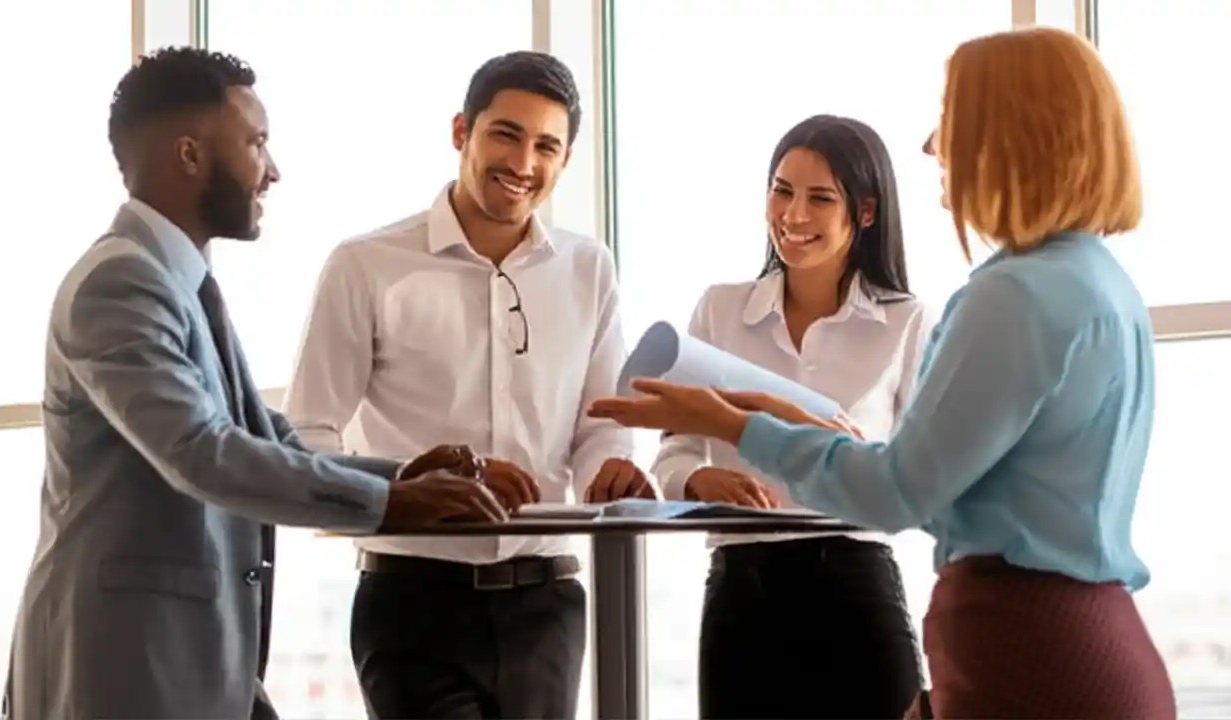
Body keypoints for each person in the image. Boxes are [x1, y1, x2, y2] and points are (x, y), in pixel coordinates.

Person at [589, 27, 1177, 720]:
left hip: (1033, 650)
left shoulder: (1015, 295)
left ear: (1010, 134)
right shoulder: (1097, 281)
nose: (931, 145)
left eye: (950, 119)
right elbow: (958, 497)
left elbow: (899, 492)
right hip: (1078, 641)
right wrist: (798, 427)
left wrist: (738, 424)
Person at [1, 47, 506, 720]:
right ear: (189, 155)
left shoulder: (181, 283)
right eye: (256, 143)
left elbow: (272, 443)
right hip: (120, 665)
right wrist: (390, 505)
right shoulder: (119, 284)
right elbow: (203, 452)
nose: (272, 170)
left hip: (199, 664)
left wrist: (407, 477)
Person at [280, 50, 649, 719]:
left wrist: (611, 472)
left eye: (546, 146)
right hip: (412, 601)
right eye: (506, 134)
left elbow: (601, 426)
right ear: (462, 132)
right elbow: (309, 434)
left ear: (565, 159)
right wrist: (411, 486)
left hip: (547, 604)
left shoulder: (588, 269)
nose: (524, 163)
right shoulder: (366, 265)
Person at [652, 114, 928, 719]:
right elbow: (673, 450)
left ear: (865, 212)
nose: (793, 214)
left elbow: (921, 479)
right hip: (742, 589)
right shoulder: (720, 310)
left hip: (857, 586)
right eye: (782, 191)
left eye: (820, 198)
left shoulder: (906, 322)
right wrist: (697, 480)